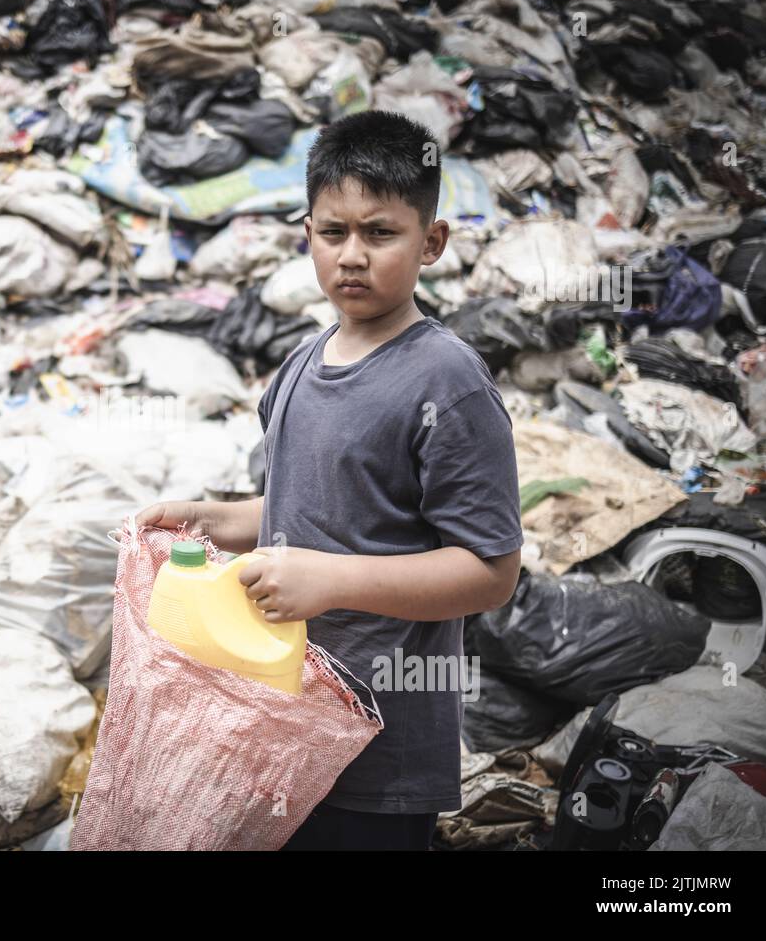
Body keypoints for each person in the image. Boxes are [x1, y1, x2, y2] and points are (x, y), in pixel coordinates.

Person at [136, 111, 523, 850]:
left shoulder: (446, 380)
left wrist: (331, 582)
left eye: (381, 233)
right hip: (280, 720)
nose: (353, 255)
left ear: (431, 242)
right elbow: (311, 506)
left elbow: (489, 569)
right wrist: (211, 519)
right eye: (333, 231)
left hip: (379, 743)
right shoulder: (300, 365)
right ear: (304, 234)